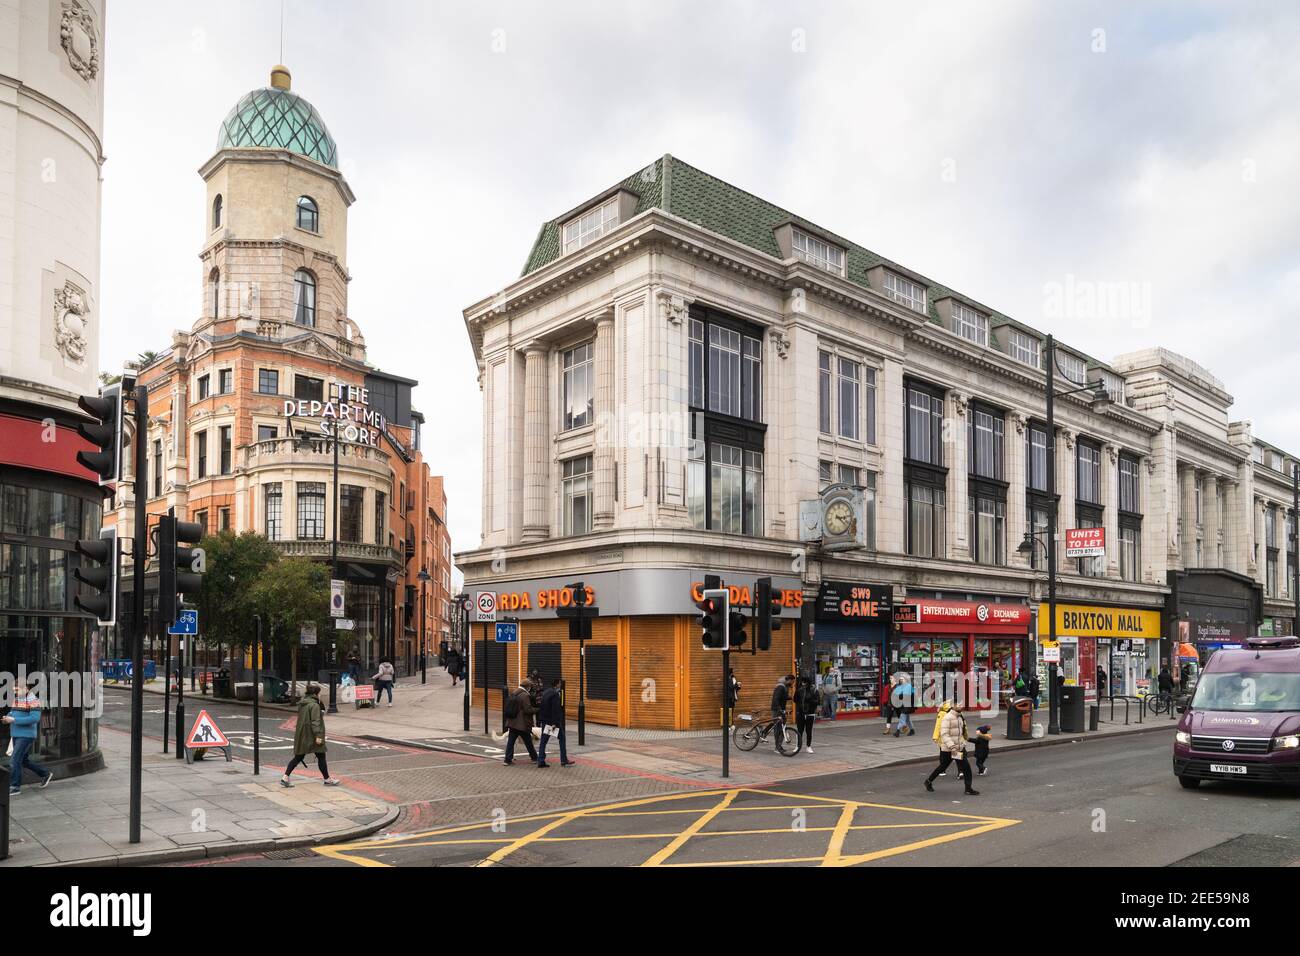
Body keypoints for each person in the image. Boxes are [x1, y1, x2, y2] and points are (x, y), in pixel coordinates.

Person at [281, 684, 341, 787]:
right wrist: (318, 735)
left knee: (299, 756)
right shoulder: (314, 705)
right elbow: (315, 721)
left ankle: (285, 777)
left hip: (303, 734)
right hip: (312, 735)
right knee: (321, 755)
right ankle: (327, 779)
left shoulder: (303, 703)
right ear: (315, 694)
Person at [4, 679, 53, 795]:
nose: (15, 692)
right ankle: (45, 773)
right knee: (23, 761)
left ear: (25, 688)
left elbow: (34, 719)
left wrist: (14, 720)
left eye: (17, 689)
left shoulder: (34, 701)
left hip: (26, 736)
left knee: (15, 760)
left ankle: (15, 786)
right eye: (14, 690)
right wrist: (7, 718)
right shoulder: (17, 699)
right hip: (16, 734)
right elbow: (12, 713)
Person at [924, 700, 978, 795]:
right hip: (949, 749)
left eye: (962, 704)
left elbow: (961, 731)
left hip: (958, 748)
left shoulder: (959, 717)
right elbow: (944, 734)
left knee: (966, 768)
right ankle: (928, 781)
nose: (961, 706)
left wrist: (963, 742)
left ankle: (968, 789)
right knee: (942, 767)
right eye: (959, 704)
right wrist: (952, 746)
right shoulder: (947, 718)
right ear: (953, 706)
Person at [535, 677, 574, 768]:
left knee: (543, 741)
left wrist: (540, 720)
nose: (560, 686)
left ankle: (540, 760)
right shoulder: (555, 694)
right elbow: (555, 709)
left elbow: (542, 706)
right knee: (562, 738)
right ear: (557, 684)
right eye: (560, 684)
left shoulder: (545, 692)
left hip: (545, 720)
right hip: (552, 722)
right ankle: (564, 760)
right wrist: (554, 723)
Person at [502, 682, 538, 765]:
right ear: (528, 687)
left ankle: (507, 760)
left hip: (512, 721)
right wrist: (537, 710)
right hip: (522, 723)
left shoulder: (514, 692)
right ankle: (535, 758)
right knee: (528, 741)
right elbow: (527, 709)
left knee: (511, 742)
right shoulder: (525, 695)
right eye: (530, 686)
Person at [794, 675, 820, 754]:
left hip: (810, 714)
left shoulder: (814, 690)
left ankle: (808, 746)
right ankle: (797, 746)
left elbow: (818, 701)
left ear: (808, 683)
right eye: (802, 682)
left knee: (809, 731)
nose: (803, 684)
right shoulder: (799, 690)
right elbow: (795, 699)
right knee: (799, 731)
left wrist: (810, 701)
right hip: (800, 714)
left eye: (805, 682)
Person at [771, 674, 794, 738]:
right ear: (789, 680)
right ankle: (778, 746)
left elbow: (783, 697)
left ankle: (779, 745)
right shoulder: (780, 686)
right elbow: (776, 699)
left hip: (781, 709)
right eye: (793, 681)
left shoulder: (785, 686)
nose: (793, 683)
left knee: (782, 725)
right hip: (777, 710)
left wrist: (791, 698)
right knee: (778, 727)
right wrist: (779, 709)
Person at [881, 671, 896, 736]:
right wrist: (885, 703)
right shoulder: (887, 687)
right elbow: (885, 695)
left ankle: (904, 727)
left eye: (892, 678)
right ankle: (888, 728)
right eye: (890, 678)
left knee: (901, 716)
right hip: (890, 704)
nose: (890, 680)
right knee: (889, 716)